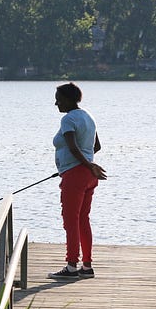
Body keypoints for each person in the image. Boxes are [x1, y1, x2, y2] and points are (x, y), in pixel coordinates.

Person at [48, 82, 107, 280]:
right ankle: (87, 266)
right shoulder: (88, 117)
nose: (56, 103)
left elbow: (73, 147)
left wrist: (77, 165)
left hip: (77, 175)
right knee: (83, 220)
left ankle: (72, 266)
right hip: (87, 176)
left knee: (70, 221)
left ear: (69, 99)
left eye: (59, 98)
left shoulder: (68, 119)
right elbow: (96, 146)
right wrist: (87, 164)